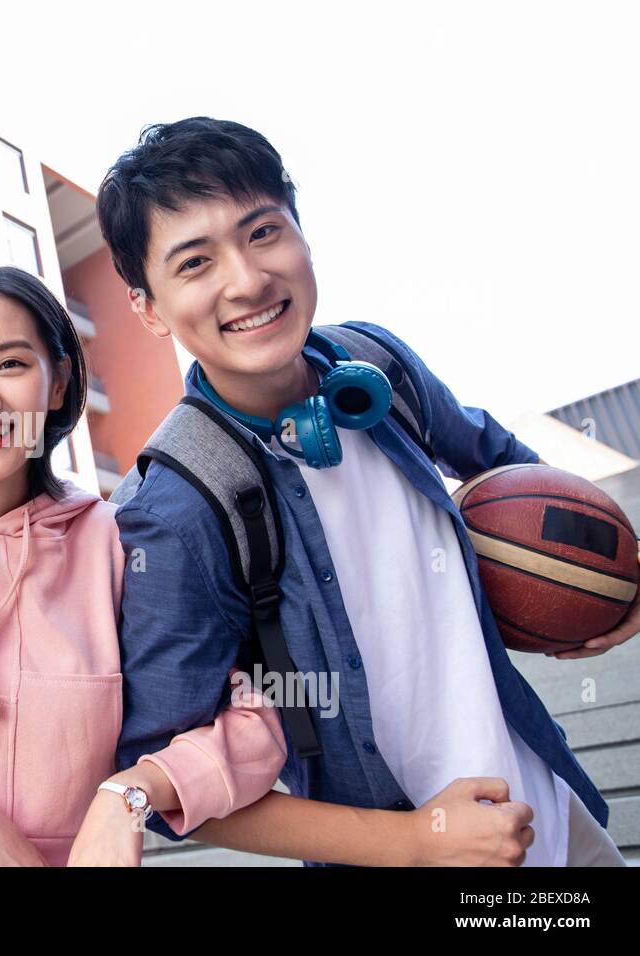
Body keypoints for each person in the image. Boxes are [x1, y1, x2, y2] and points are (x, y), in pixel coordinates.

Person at [0, 258, 542, 868]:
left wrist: (136, 792)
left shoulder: (124, 541)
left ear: (58, 380)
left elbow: (260, 713)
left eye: (12, 363)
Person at [84, 116, 636, 866]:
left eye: (263, 232)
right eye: (194, 264)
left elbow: (515, 472)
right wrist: (415, 840)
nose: (246, 280)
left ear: (302, 233)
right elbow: (169, 790)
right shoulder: (175, 507)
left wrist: (602, 588)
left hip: (552, 812)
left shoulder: (377, 363)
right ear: (147, 306)